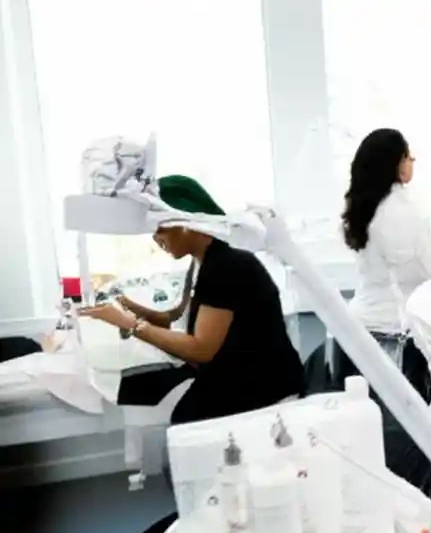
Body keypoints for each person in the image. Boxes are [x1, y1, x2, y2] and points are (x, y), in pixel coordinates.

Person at [82, 175, 304, 424]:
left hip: (260, 384)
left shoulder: (226, 266)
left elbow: (201, 349)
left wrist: (131, 325)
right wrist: (129, 308)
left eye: (161, 228)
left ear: (188, 221)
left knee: (180, 416)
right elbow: (173, 318)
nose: (156, 238)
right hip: (235, 372)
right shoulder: (201, 263)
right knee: (139, 387)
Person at [334, 128, 431, 488]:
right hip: (392, 335)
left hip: (360, 326)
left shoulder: (364, 203)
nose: (412, 164)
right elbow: (426, 276)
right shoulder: (401, 210)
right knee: (401, 440)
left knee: (367, 435)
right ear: (396, 164)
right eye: (408, 157)